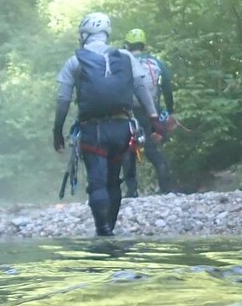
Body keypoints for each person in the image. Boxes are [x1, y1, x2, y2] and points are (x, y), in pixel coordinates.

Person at [52, 12, 161, 237]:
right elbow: (141, 89)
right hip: (123, 129)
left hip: (93, 130)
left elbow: (63, 99)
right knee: (113, 181)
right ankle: (110, 229)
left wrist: (57, 132)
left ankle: (103, 231)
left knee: (97, 182)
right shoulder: (126, 57)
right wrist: (154, 118)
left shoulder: (75, 61)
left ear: (84, 34)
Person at [122, 28, 175, 195]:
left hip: (129, 113)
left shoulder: (122, 63)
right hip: (152, 112)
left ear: (127, 45)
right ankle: (165, 189)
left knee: (128, 150)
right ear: (143, 45)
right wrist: (169, 111)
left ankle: (132, 191)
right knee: (153, 150)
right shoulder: (156, 63)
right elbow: (167, 87)